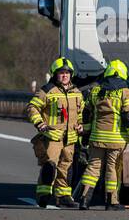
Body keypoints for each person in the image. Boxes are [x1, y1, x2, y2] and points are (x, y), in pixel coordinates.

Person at [73, 60, 129, 210]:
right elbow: (128, 118)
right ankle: (111, 202)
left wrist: (85, 130)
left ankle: (84, 200)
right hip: (116, 141)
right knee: (113, 170)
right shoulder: (125, 92)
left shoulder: (96, 91)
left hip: (96, 138)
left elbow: (88, 112)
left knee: (92, 168)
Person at [26, 57, 85, 208]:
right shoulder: (47, 91)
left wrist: (80, 126)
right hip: (52, 137)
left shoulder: (77, 92)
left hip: (70, 138)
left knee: (66, 168)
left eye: (67, 73)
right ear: (55, 74)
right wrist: (40, 123)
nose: (65, 75)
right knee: (49, 166)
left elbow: (80, 114)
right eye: (61, 73)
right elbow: (32, 108)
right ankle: (43, 195)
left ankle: (63, 196)